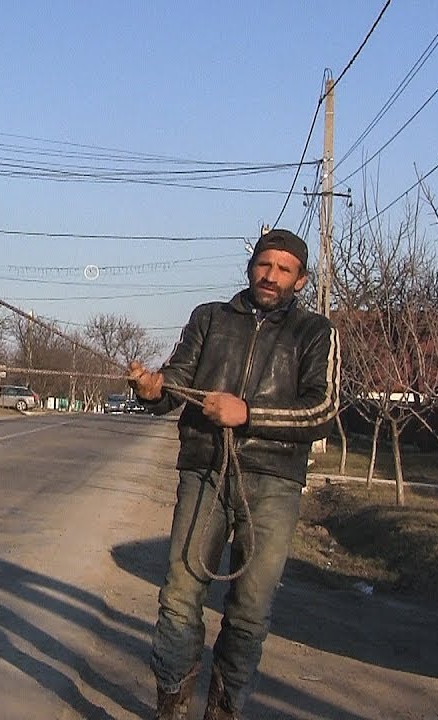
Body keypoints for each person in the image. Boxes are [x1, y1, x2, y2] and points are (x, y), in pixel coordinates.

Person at [128, 228, 339, 720]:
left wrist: (249, 413)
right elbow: (177, 382)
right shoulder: (210, 319)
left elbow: (323, 410)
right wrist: (152, 389)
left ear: (301, 280)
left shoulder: (315, 333)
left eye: (284, 269)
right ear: (251, 268)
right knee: (179, 599)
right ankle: (172, 710)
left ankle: (223, 711)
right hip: (204, 471)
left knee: (248, 612)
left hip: (273, 483)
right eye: (265, 265)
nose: (271, 276)